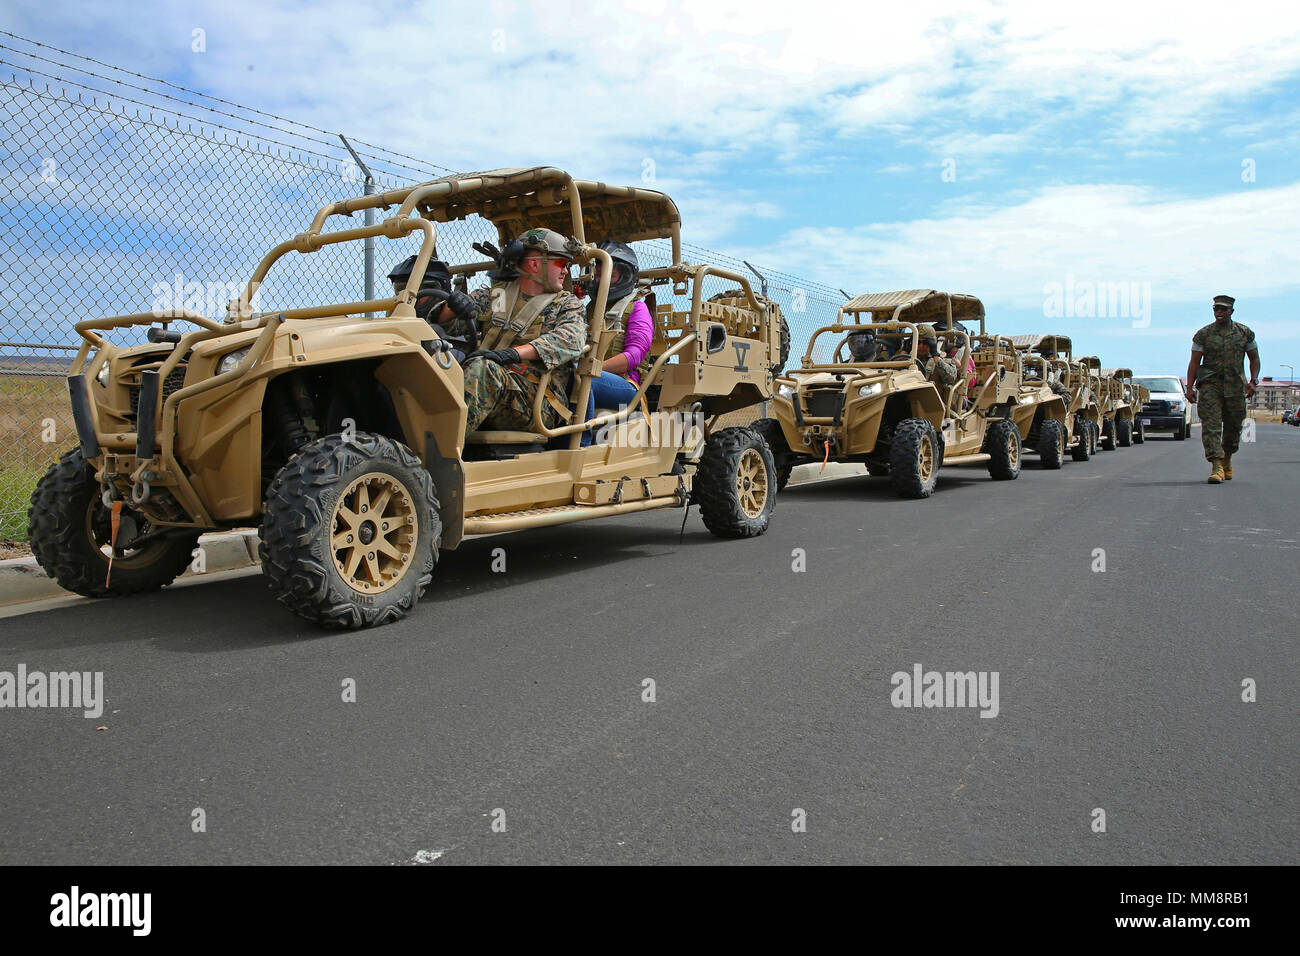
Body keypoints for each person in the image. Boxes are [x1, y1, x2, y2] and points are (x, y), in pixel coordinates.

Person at [458, 228, 588, 433]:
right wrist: (451, 307)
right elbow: (452, 324)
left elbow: (570, 340)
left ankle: (437, 456)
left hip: (538, 401)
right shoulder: (498, 297)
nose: (565, 271)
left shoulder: (566, 304)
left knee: (483, 370)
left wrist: (511, 354)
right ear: (535, 264)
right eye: (561, 264)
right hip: (492, 383)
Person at [578, 240, 653, 445]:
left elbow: (634, 355)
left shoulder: (636, 307)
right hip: (588, 373)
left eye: (609, 275)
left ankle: (580, 448)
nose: (601, 280)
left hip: (627, 387)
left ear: (624, 276)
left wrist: (591, 369)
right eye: (599, 275)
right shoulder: (591, 308)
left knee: (585, 382)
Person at [1187, 294, 1260, 483]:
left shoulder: (1245, 333)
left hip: (1236, 386)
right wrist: (1189, 387)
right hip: (1211, 384)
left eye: (1222, 309)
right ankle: (1216, 466)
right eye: (1215, 309)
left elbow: (1254, 358)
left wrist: (1253, 381)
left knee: (1234, 426)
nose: (1218, 312)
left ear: (1231, 311)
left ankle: (1227, 457)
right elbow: (1194, 362)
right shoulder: (1203, 334)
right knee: (1211, 426)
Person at [386, 255, 479, 360]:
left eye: (420, 291)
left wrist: (451, 311)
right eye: (402, 291)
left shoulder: (455, 313)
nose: (412, 298)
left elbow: (469, 318)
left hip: (451, 370)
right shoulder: (393, 318)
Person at [900, 323, 959, 389]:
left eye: (926, 343)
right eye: (918, 342)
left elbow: (951, 379)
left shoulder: (944, 360)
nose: (921, 346)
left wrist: (935, 356)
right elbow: (891, 371)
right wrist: (905, 351)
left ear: (932, 343)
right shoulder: (907, 359)